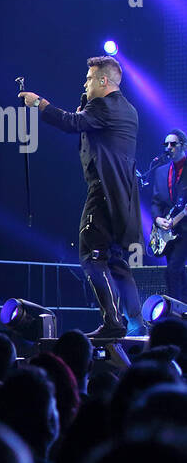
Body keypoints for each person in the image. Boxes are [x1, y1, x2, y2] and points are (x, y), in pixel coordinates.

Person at [22, 56, 144, 339]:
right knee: (114, 258)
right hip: (124, 195)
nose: (85, 83)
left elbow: (71, 123)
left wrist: (39, 104)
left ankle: (113, 322)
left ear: (103, 81)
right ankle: (135, 320)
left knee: (91, 255)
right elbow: (86, 125)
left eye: (89, 79)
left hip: (104, 190)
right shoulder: (128, 109)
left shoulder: (102, 105)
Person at [151, 129, 187, 302]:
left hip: (185, 230)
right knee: (176, 273)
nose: (169, 147)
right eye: (166, 144)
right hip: (167, 232)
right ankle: (182, 312)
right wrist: (158, 219)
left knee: (172, 271)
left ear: (183, 145)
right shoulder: (161, 171)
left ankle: (176, 314)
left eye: (173, 144)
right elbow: (156, 202)